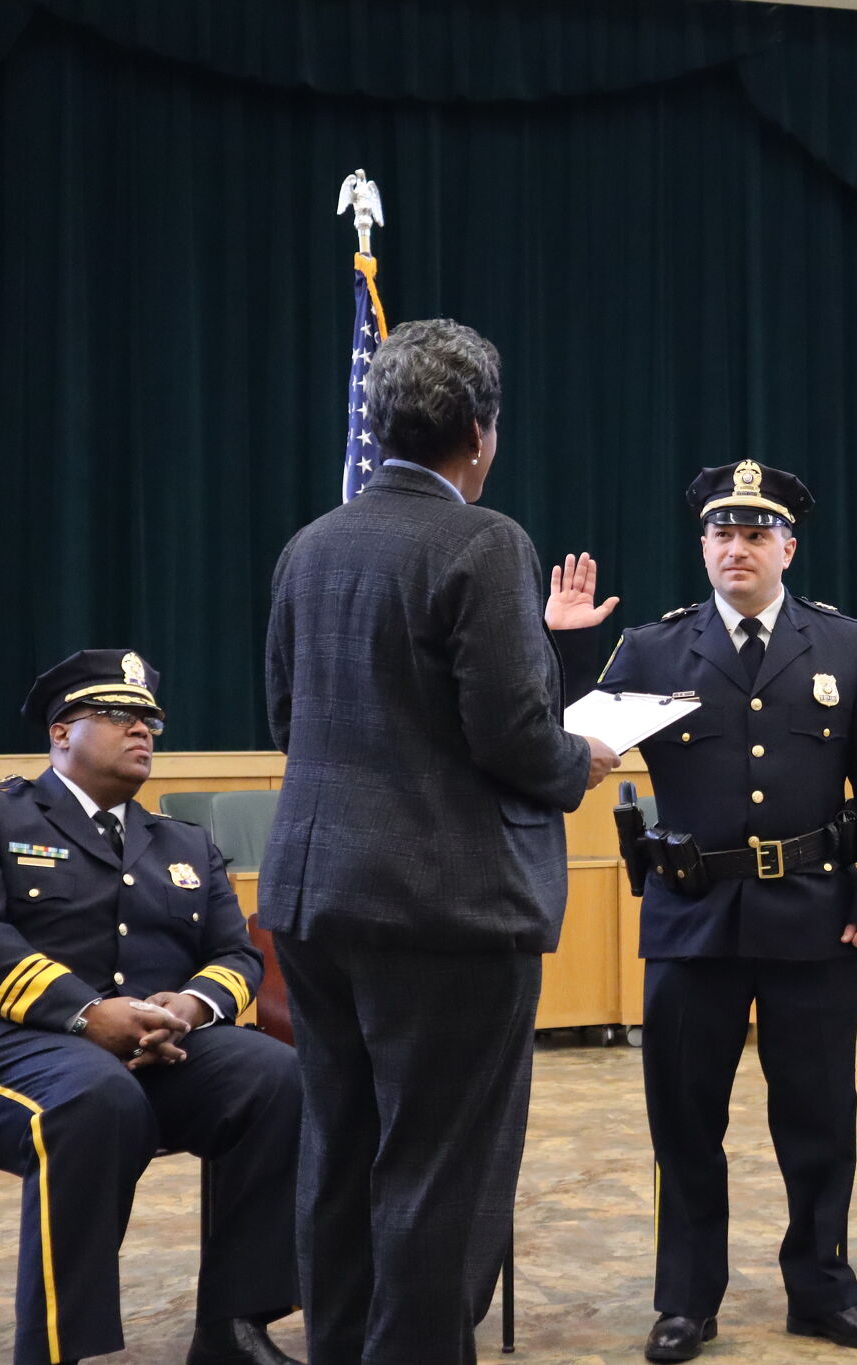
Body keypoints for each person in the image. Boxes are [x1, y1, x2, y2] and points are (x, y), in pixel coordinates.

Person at [259, 317, 618, 1365]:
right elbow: (511, 738)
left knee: (340, 1154)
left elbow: (290, 720)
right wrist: (576, 761)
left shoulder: (309, 544)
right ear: (479, 430)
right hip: (445, 914)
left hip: (316, 902)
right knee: (438, 1179)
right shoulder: (483, 540)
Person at [547, 461, 857, 1362]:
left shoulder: (846, 645)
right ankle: (685, 1298)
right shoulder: (654, 647)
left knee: (820, 1118)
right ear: (702, 545)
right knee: (684, 1118)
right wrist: (560, 646)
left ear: (788, 545)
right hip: (690, 921)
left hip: (813, 918)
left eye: (756, 533)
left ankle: (822, 1286)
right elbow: (562, 749)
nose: (736, 547)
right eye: (721, 532)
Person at [0, 648, 300, 1365]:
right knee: (92, 1094)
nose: (143, 730)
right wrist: (88, 1014)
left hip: (154, 1050)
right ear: (60, 731)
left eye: (150, 719)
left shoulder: (185, 843)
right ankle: (54, 1350)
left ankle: (236, 1326)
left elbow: (237, 956)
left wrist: (192, 1007)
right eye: (118, 715)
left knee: (281, 1078)